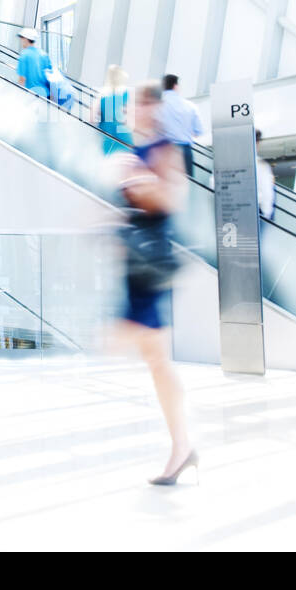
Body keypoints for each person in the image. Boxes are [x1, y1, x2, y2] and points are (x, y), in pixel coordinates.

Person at [114, 81, 194, 485]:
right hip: (138, 267)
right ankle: (181, 447)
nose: (134, 112)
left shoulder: (163, 150)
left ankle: (182, 447)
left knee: (153, 358)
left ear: (153, 108)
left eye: (139, 105)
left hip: (150, 265)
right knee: (156, 360)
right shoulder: (138, 151)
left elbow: (172, 199)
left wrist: (141, 183)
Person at [159, 74, 204, 179]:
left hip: (164, 150)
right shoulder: (190, 106)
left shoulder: (157, 105)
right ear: (175, 86)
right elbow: (198, 131)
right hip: (185, 152)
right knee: (186, 187)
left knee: (163, 188)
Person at [93, 64, 132, 154]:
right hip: (124, 137)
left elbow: (91, 118)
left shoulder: (103, 93)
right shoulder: (127, 94)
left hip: (107, 135)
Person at [16, 28, 51, 97]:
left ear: (26, 39)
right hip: (46, 93)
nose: (21, 40)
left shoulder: (24, 55)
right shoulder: (43, 54)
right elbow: (50, 75)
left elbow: (22, 79)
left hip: (31, 94)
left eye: (22, 38)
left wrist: (18, 96)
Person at [256, 129, 275, 221]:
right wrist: (267, 214)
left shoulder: (227, 162)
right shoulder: (260, 164)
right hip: (257, 212)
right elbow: (266, 192)